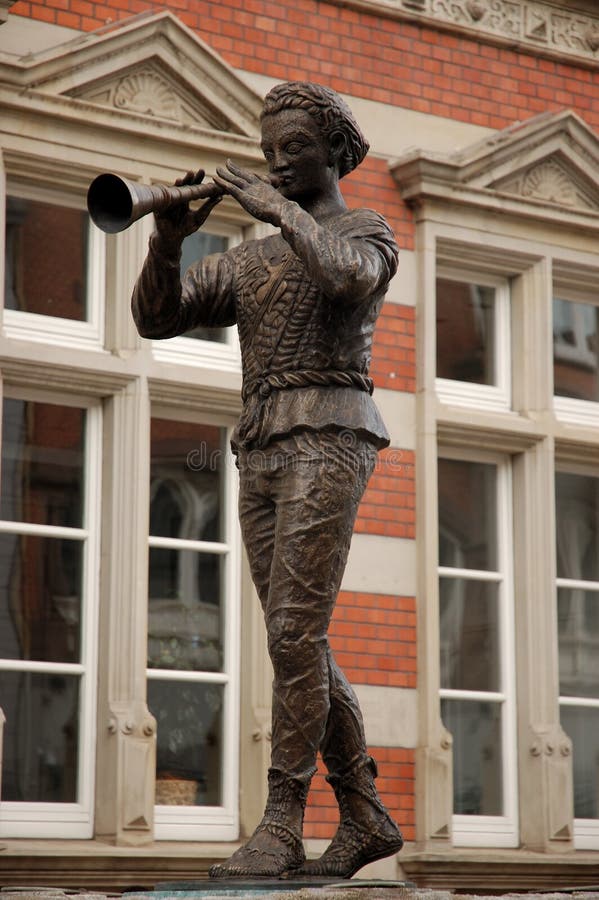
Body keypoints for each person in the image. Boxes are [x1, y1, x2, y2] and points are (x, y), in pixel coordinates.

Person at [131, 81, 403, 879]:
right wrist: (169, 240)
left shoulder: (365, 229)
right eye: (269, 150)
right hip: (260, 444)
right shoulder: (246, 259)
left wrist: (278, 211)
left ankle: (283, 822)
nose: (278, 163)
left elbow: (347, 278)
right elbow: (156, 316)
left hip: (331, 434)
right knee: (298, 641)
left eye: (295, 149)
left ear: (334, 153)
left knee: (291, 634)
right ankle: (364, 813)